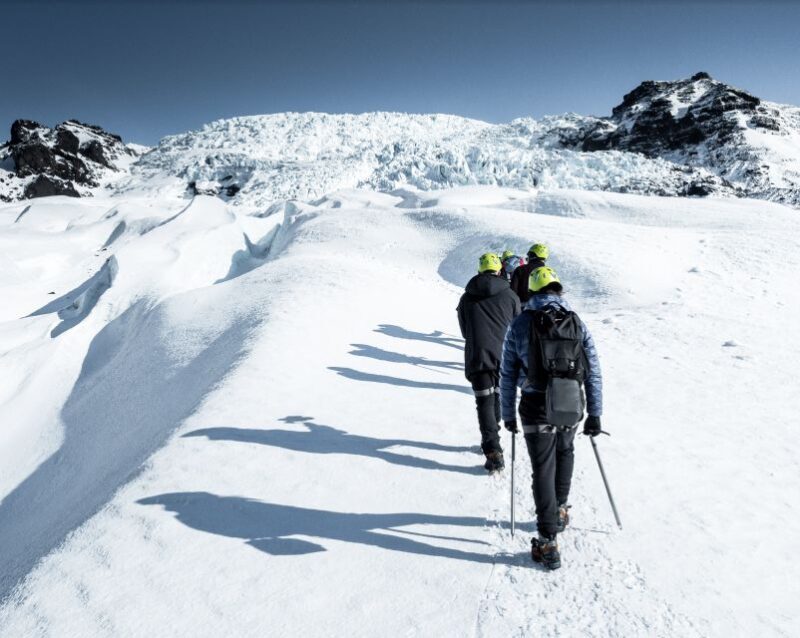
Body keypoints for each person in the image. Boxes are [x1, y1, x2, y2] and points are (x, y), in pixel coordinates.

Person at [499, 266, 603, 569]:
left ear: (531, 292)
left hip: (535, 407)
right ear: (559, 290)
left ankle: (547, 541)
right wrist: (595, 413)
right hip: (570, 403)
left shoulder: (520, 324)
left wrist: (507, 415)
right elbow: (593, 370)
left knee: (542, 468)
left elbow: (507, 374)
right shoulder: (577, 323)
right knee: (565, 451)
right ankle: (559, 509)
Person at [457, 253, 521, 473]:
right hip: (504, 356)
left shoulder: (466, 297)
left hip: (478, 355)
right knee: (498, 396)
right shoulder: (511, 296)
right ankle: (493, 433)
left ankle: (493, 449)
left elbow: (465, 331)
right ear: (499, 270)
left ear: (479, 269)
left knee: (484, 400)